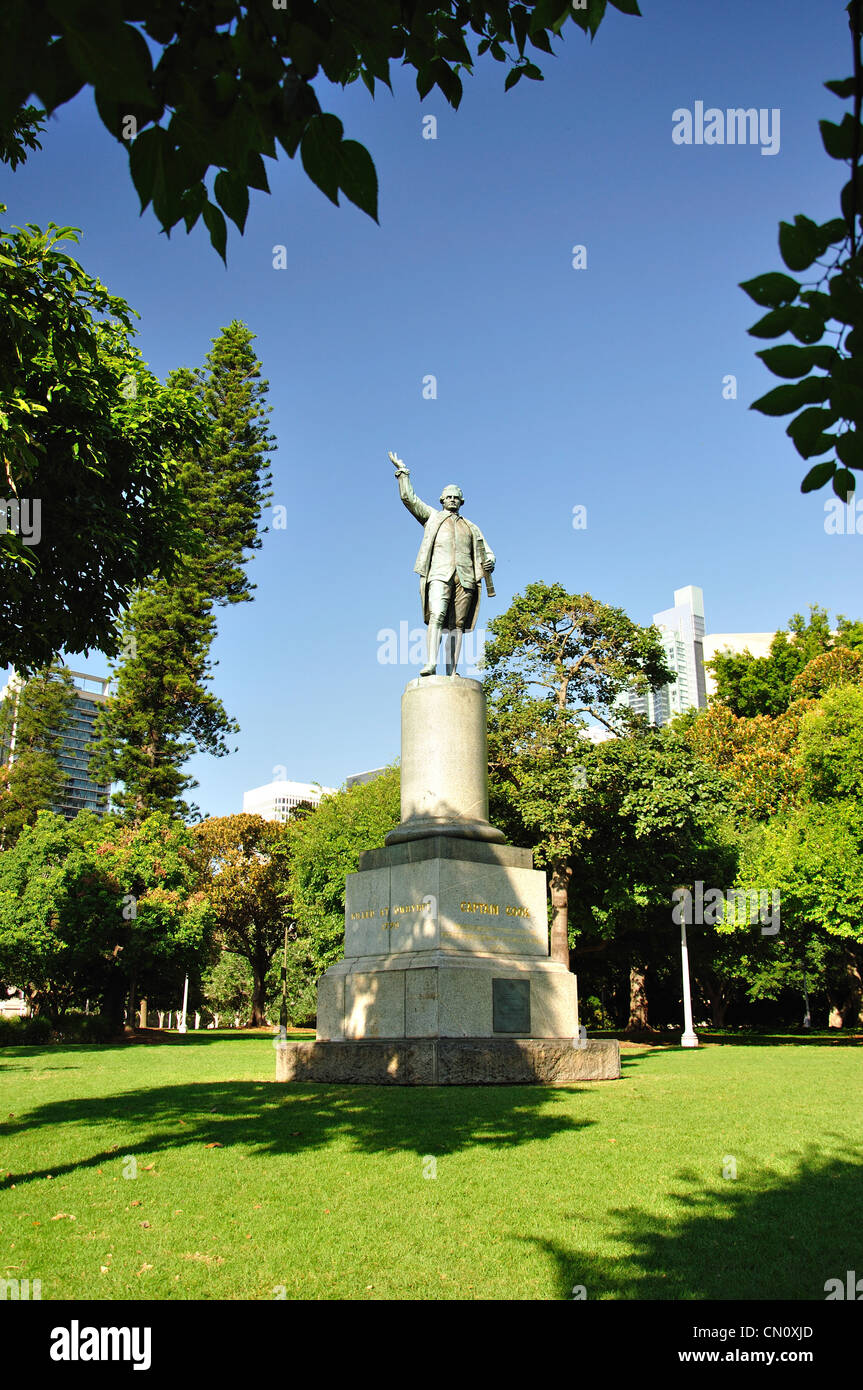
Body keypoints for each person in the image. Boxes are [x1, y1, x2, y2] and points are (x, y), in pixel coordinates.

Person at [389, 451, 495, 676]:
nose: (452, 500)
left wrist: (490, 562)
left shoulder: (471, 527)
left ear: (462, 501)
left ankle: (453, 670)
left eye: (456, 497)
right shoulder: (432, 517)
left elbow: (487, 552)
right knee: (436, 616)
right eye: (449, 497)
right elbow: (409, 499)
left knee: (457, 627)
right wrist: (403, 473)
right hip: (439, 574)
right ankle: (430, 663)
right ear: (442, 500)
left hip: (465, 579)